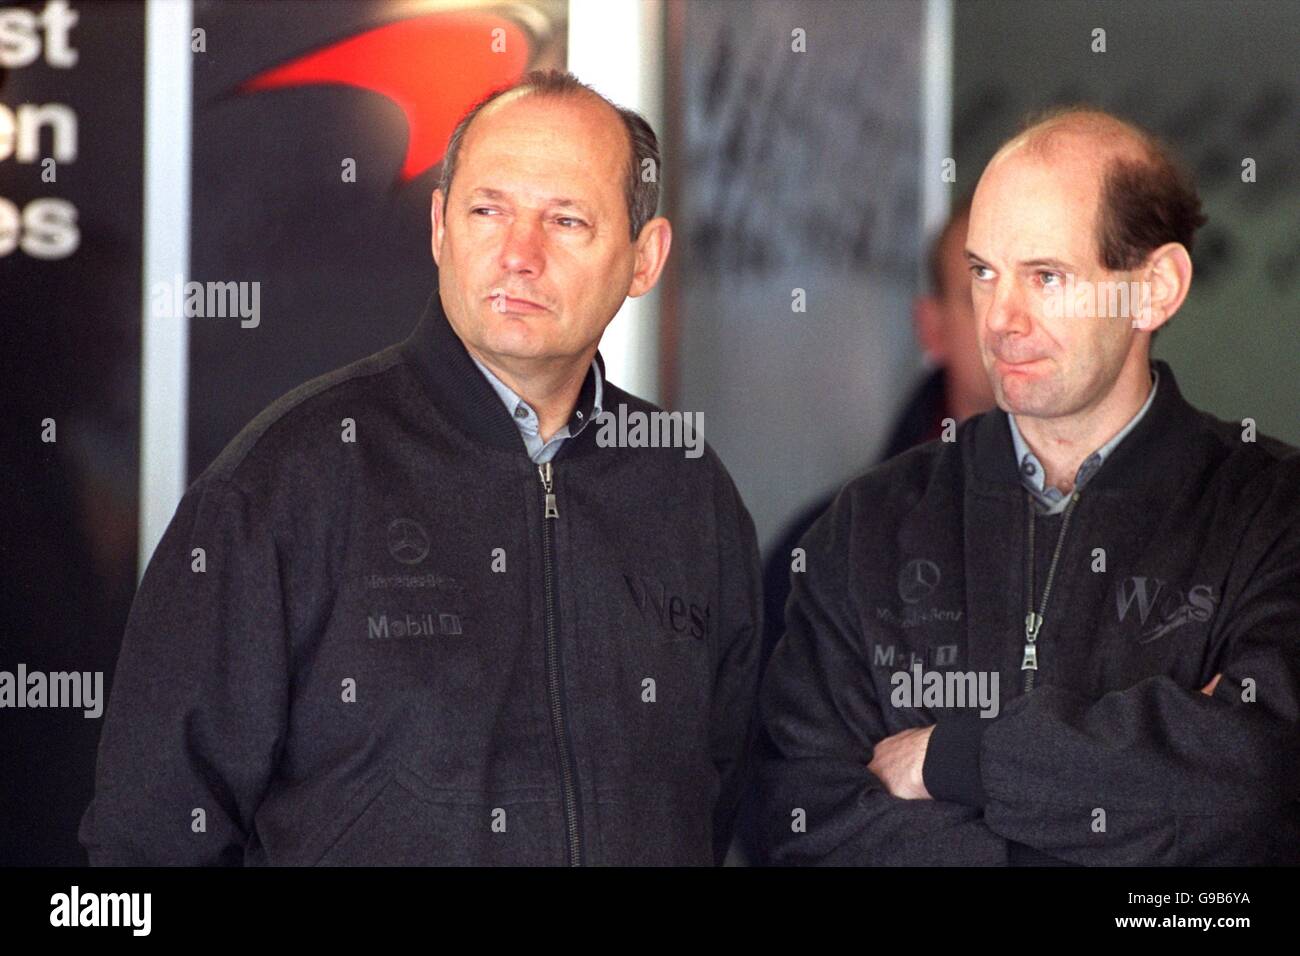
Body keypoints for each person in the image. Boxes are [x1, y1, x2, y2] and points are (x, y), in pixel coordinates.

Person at [80, 70, 763, 866]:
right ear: (439, 227)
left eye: (567, 220)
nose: (519, 254)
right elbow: (151, 837)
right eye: (487, 210)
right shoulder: (286, 483)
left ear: (644, 259)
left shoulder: (686, 489)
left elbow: (718, 792)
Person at [755, 106, 1300, 865]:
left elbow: (1260, 788)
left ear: (1156, 289)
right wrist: (1121, 805)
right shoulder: (870, 524)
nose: (1001, 319)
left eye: (1046, 276)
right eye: (983, 273)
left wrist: (957, 763)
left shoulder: (1272, 514)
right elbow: (798, 817)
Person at [760, 198, 994, 653]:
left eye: (1045, 284)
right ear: (932, 327)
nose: (1010, 319)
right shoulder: (828, 550)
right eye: (981, 293)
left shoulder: (1153, 515)